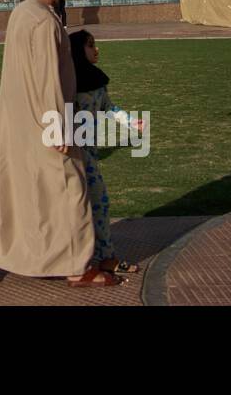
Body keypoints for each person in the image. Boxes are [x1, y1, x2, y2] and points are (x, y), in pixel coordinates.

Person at [0, 0, 118, 287]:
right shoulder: (43, 20)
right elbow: (47, 79)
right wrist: (57, 126)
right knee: (71, 187)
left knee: (19, 190)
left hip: (21, 120)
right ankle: (77, 266)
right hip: (45, 121)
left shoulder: (22, 12)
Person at [69, 29, 140, 276]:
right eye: (90, 46)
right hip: (73, 154)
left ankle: (101, 257)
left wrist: (132, 122)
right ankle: (97, 258)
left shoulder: (96, 79)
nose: (96, 49)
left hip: (90, 152)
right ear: (79, 51)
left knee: (97, 203)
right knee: (94, 202)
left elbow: (109, 107)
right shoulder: (68, 81)